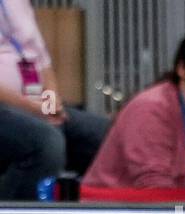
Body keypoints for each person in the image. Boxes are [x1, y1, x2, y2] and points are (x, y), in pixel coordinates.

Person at [83, 25, 185, 190]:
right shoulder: (150, 108)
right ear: (182, 68)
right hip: (114, 211)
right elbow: (154, 188)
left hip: (181, 210)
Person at [0, 0, 108, 200]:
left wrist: (50, 104)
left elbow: (42, 61)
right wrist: (34, 108)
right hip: (9, 109)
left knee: (108, 135)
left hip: (35, 106)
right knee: (47, 142)